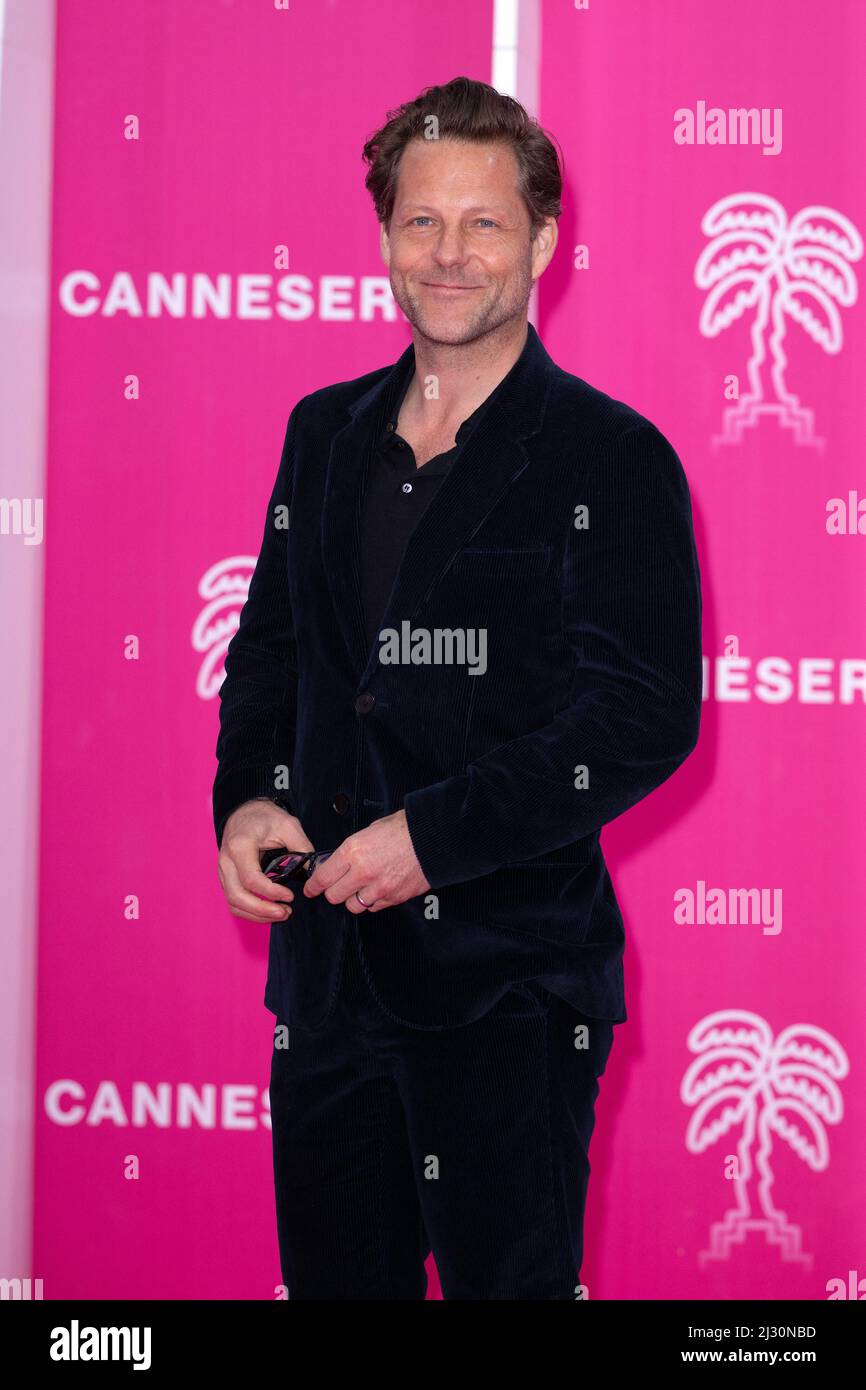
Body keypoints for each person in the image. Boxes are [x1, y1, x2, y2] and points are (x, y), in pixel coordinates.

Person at [213, 76, 702, 1299]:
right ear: (383, 235)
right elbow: (271, 654)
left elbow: (638, 714)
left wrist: (431, 841)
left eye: (481, 223)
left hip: (508, 993)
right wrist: (246, 802)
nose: (446, 253)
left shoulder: (612, 455)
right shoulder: (319, 433)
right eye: (420, 221)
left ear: (542, 240)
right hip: (324, 991)